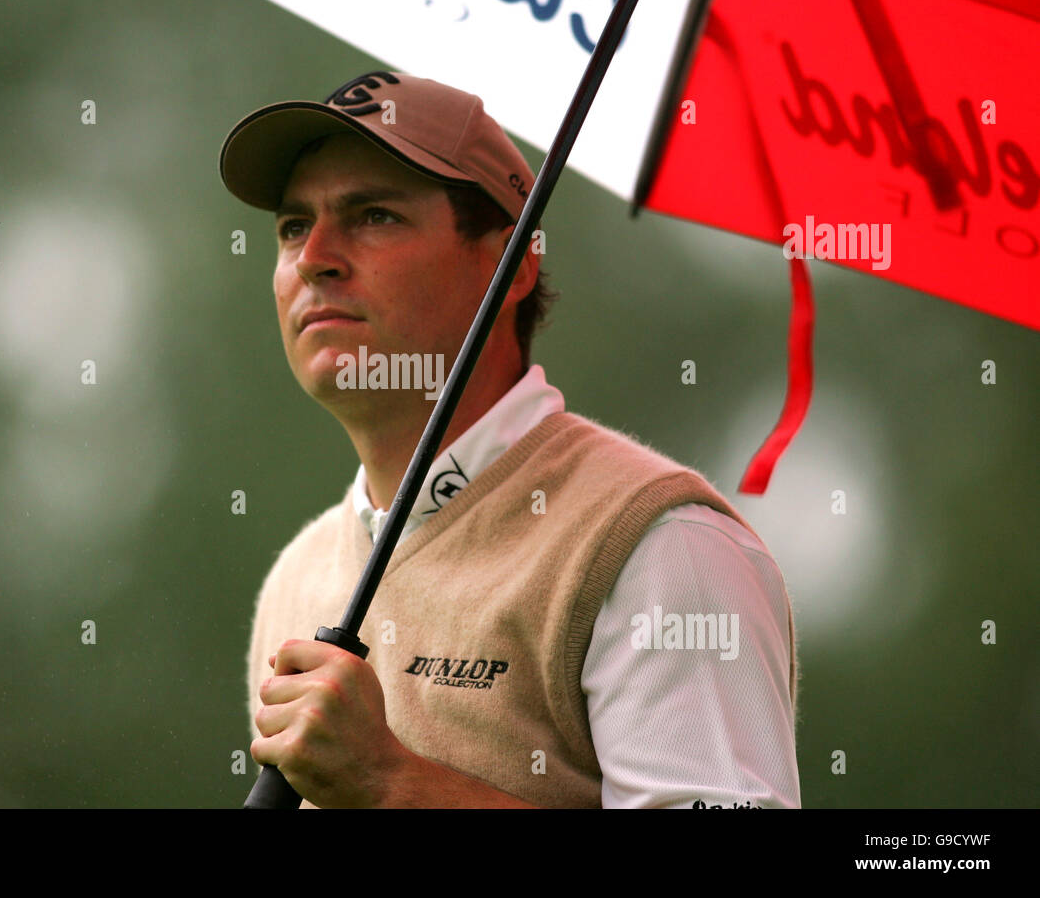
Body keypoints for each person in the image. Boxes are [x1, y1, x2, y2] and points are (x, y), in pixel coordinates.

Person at [219, 70, 800, 808]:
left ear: (510, 264)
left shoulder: (658, 546)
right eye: (293, 225)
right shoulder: (295, 582)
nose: (313, 256)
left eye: (373, 216)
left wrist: (393, 783)